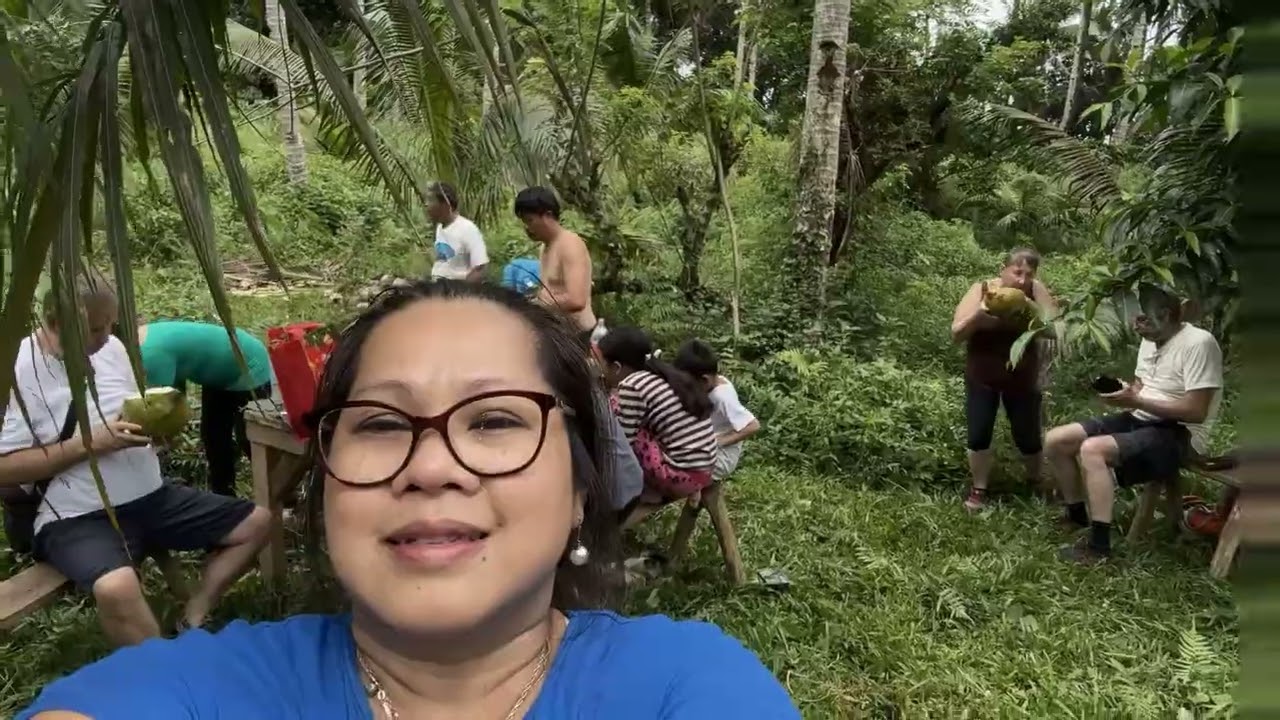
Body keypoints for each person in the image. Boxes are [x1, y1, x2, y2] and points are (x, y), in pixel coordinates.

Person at [17, 279, 800, 719]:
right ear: (328, 491)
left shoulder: (684, 687)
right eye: (382, 424)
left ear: (576, 494)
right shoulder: (204, 694)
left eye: (494, 419)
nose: (430, 468)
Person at [0, 270, 270, 647]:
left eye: (111, 324)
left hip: (152, 498)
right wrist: (89, 445)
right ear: (56, 322)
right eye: (96, 328)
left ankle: (194, 613)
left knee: (257, 523)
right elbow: (6, 467)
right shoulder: (19, 368)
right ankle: (165, 678)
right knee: (117, 587)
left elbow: (128, 413)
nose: (107, 337)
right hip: (78, 515)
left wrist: (157, 434)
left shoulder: (112, 349)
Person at [1044, 285, 1224, 564]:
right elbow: (1144, 386)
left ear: (1165, 314)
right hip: (1141, 417)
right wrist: (1125, 393)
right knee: (1057, 440)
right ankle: (1077, 515)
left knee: (1093, 450)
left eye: (1144, 319)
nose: (1136, 325)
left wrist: (1137, 402)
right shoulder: (1150, 338)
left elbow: (1196, 411)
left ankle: (1099, 547)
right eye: (1135, 318)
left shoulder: (1199, 343)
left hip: (1180, 432)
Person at [950, 248, 1058, 512]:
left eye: (1029, 274)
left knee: (1029, 436)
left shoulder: (1035, 291)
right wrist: (981, 313)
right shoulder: (982, 289)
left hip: (1023, 376)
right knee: (979, 433)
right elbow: (956, 333)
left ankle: (1035, 480)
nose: (1022, 279)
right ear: (1003, 269)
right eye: (1017, 272)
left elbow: (1055, 330)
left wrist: (1028, 306)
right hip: (983, 374)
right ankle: (979, 488)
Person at [596, 326, 718, 528]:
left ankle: (641, 493)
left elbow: (621, 444)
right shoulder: (664, 374)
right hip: (702, 469)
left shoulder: (632, 386)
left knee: (618, 424)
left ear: (616, 367)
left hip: (681, 474)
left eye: (602, 365)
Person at [138, 320, 274, 497]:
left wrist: (158, 440)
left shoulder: (150, 355)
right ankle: (224, 496)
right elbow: (176, 394)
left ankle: (280, 493)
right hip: (219, 371)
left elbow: (161, 409)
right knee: (213, 436)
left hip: (248, 363)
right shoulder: (142, 340)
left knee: (250, 438)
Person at [513, 186, 597, 343]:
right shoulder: (545, 247)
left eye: (530, 220)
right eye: (523, 222)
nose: (526, 228)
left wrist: (537, 303)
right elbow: (550, 291)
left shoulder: (570, 244)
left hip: (581, 337)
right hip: (559, 335)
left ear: (548, 215)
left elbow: (577, 300)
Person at [674, 339, 762, 481]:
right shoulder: (716, 382)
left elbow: (753, 426)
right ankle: (698, 501)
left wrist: (716, 442)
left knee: (677, 473)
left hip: (722, 457)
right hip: (710, 450)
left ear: (705, 380)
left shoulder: (721, 395)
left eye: (688, 384)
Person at [427, 181, 489, 282]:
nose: (427, 205)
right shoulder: (440, 228)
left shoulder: (467, 229)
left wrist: (461, 293)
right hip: (438, 289)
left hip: (455, 293)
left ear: (445, 204)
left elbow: (480, 269)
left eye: (431, 201)